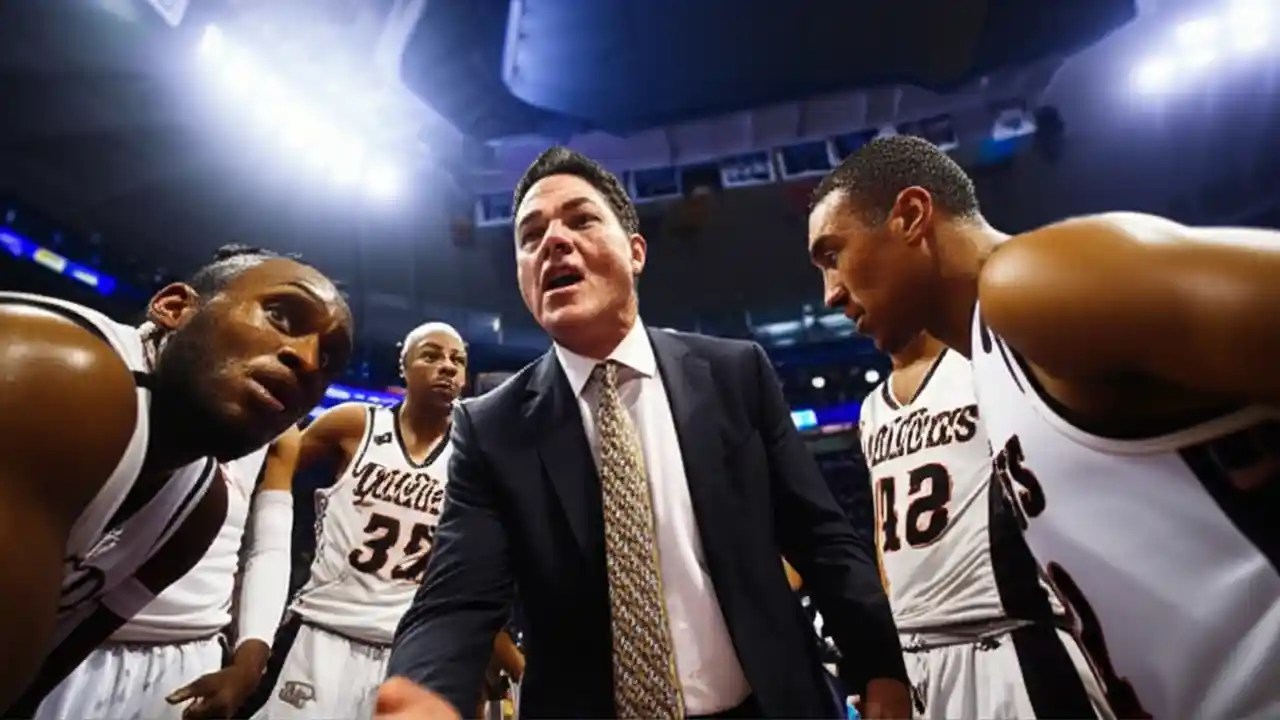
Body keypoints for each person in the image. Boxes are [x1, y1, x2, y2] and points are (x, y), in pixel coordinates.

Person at [380, 146, 909, 719]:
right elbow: (454, 602)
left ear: (636, 252)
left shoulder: (735, 374)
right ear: (522, 274)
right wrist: (423, 696)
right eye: (531, 235)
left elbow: (820, 536)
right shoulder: (490, 426)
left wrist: (879, 662)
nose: (553, 241)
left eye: (581, 220)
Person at [806, 135, 1280, 719]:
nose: (829, 294)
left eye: (833, 254)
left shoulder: (1026, 284)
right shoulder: (993, 357)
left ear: (910, 216)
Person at [0, 244, 354, 713]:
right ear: (174, 308)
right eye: (280, 316)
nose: (309, 360)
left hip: (184, 652)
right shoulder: (59, 368)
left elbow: (38, 677)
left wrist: (249, 658)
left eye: (329, 359)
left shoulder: (198, 505)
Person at [243, 322, 523, 719]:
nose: (447, 366)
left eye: (457, 360)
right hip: (322, 632)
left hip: (411, 651)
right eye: (431, 355)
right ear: (403, 365)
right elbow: (269, 471)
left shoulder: (473, 458)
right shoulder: (352, 424)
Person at [860, 331, 1111, 719]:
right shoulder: (870, 408)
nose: (834, 292)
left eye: (835, 266)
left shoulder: (984, 367)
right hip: (916, 652)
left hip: (1008, 640)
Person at [34, 427, 298, 720]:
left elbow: (268, 547)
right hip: (70, 639)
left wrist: (249, 665)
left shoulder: (282, 429)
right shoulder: (119, 391)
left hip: (192, 654)